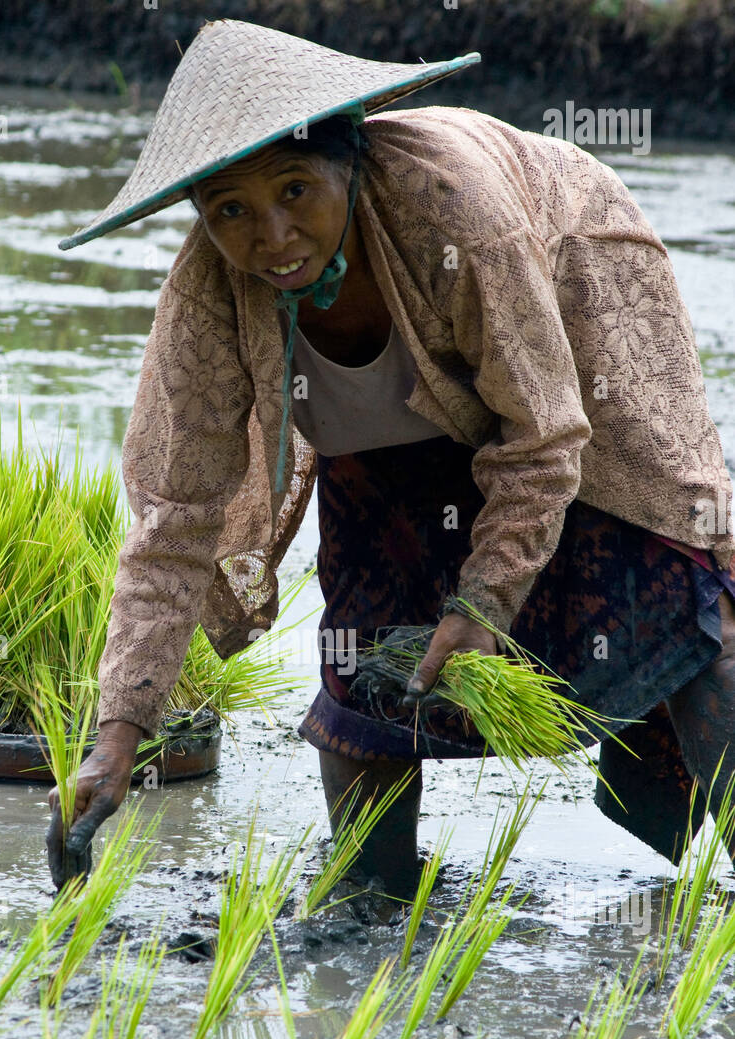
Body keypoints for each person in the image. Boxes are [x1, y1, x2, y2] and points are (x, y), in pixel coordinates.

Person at [47, 18, 735, 897]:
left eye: (296, 189)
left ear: (350, 162)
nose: (272, 235)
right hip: (384, 441)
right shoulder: (209, 296)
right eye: (231, 211)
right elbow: (176, 516)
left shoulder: (454, 216)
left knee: (677, 598)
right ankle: (374, 898)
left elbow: (545, 435)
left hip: (570, 315)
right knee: (364, 653)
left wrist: (484, 603)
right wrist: (118, 734)